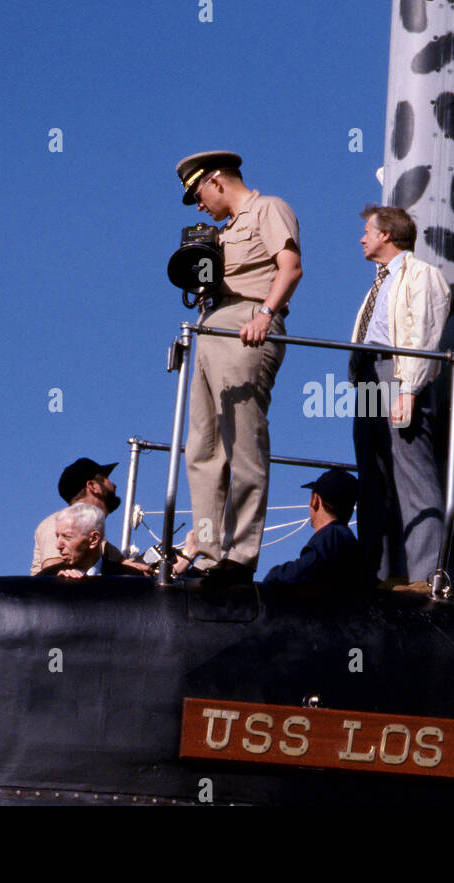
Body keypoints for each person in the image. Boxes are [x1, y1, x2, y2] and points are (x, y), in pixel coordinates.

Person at [176, 151, 302, 584]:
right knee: (203, 449)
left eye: (198, 194)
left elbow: (290, 268)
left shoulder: (269, 208)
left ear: (216, 181)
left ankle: (241, 554)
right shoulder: (223, 231)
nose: (198, 205)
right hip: (211, 327)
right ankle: (209, 553)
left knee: (243, 443)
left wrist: (265, 314)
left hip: (248, 322)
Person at [349, 205, 450, 590]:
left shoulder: (422, 276)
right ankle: (383, 571)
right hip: (369, 375)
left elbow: (421, 335)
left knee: (413, 473)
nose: (363, 238)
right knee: (373, 476)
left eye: (367, 231)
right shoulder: (380, 281)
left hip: (396, 373)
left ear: (386, 235)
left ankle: (427, 573)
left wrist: (408, 388)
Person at [261, 470, 369, 590]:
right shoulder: (348, 540)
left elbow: (300, 573)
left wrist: (274, 575)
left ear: (315, 500)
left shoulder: (332, 536)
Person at [31, 457, 137, 575]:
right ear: (93, 486)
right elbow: (54, 574)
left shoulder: (107, 548)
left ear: (94, 539)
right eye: (106, 478)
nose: (114, 485)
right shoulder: (59, 523)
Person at [37, 504, 146, 578]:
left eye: (67, 537)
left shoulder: (129, 578)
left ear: (94, 539)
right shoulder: (46, 579)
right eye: (57, 536)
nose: (58, 545)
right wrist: (58, 587)